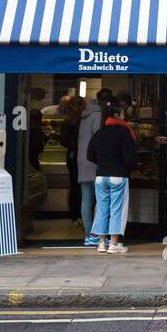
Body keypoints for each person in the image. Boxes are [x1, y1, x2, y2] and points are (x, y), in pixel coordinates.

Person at [86, 101, 137, 254]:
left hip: (101, 176)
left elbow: (90, 155)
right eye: (122, 114)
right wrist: (130, 167)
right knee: (117, 209)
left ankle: (101, 243)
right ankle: (114, 243)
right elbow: (130, 158)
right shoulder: (123, 133)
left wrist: (103, 163)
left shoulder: (99, 133)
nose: (124, 117)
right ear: (116, 115)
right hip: (118, 175)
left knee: (101, 209)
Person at [76, 88, 114, 247]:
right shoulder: (98, 116)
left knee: (86, 198)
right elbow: (100, 140)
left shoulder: (85, 115)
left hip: (82, 161)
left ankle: (87, 235)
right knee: (101, 199)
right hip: (95, 162)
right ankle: (96, 235)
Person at [58, 95, 86, 229]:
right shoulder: (81, 121)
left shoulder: (68, 122)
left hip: (73, 155)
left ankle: (75, 215)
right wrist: (78, 146)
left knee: (75, 186)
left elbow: (63, 140)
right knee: (78, 186)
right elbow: (63, 140)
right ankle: (77, 215)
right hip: (77, 155)